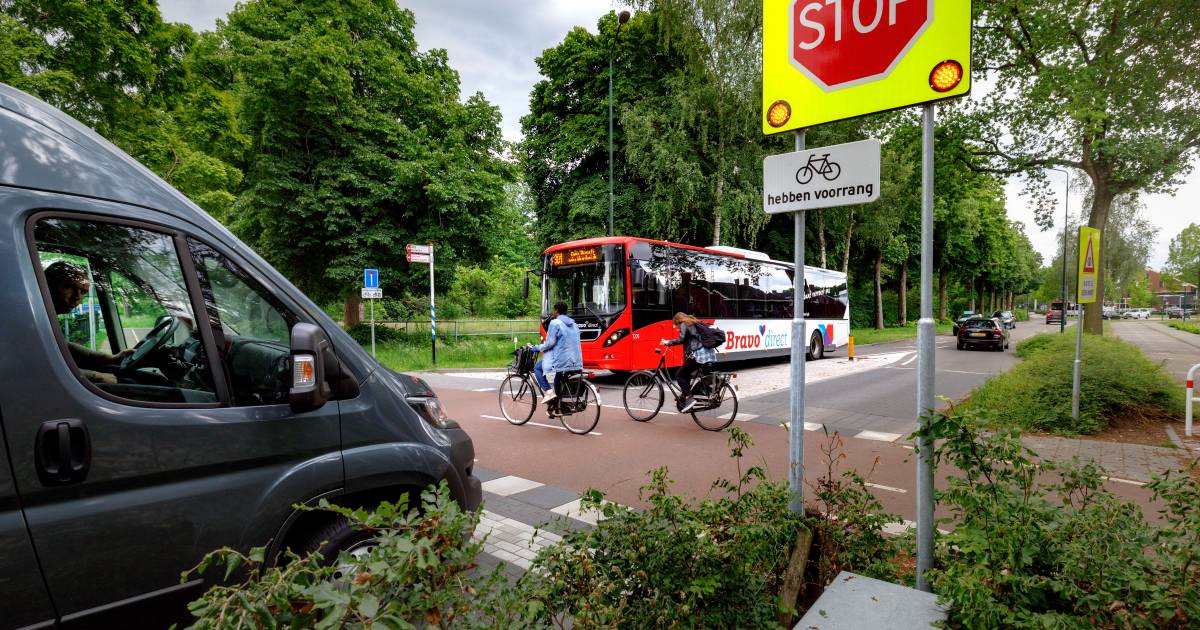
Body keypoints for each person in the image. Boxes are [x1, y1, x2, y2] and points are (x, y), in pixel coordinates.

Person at [44, 261, 133, 384]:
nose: (77, 297)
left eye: (83, 292)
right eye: (69, 287)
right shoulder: (30, 318)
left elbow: (63, 346)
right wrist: (96, 376)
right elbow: (40, 364)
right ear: (47, 283)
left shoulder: (45, 317)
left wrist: (111, 358)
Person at [660, 312, 716, 413]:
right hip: (708, 354)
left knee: (679, 375)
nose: (675, 327)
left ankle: (689, 398)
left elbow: (681, 339)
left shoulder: (684, 324)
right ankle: (687, 395)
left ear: (678, 321)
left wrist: (668, 342)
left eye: (675, 324)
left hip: (698, 355)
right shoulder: (692, 322)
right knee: (686, 374)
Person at [530, 301, 582, 405]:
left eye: (553, 310)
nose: (552, 312)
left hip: (562, 360)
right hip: (576, 360)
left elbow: (550, 343)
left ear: (556, 310)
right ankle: (557, 404)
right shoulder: (574, 324)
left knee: (537, 368)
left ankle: (549, 392)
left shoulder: (555, 323)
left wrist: (537, 348)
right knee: (558, 377)